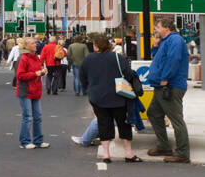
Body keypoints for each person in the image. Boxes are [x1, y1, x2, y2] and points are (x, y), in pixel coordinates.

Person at [79, 33, 141, 163]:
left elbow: (82, 77)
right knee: (123, 124)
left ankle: (106, 155)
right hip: (118, 97)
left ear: (96, 46)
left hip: (97, 97)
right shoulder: (118, 58)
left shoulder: (88, 59)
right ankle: (129, 153)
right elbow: (129, 74)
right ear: (108, 45)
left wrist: (89, 90)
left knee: (103, 124)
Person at [145, 17, 190, 163]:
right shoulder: (165, 41)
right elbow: (157, 57)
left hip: (170, 85)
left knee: (176, 119)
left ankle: (182, 153)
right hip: (161, 85)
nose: (155, 30)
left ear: (166, 28)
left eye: (157, 27)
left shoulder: (175, 40)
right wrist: (156, 44)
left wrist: (165, 77)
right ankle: (164, 146)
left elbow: (174, 60)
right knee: (153, 113)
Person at [15, 37, 49, 150]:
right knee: (28, 117)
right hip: (25, 91)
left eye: (35, 43)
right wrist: (36, 73)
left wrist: (43, 71)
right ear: (26, 46)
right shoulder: (23, 58)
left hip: (35, 90)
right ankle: (24, 141)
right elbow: (20, 75)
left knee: (38, 117)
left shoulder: (36, 58)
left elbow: (38, 71)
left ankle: (38, 140)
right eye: (33, 43)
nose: (36, 45)